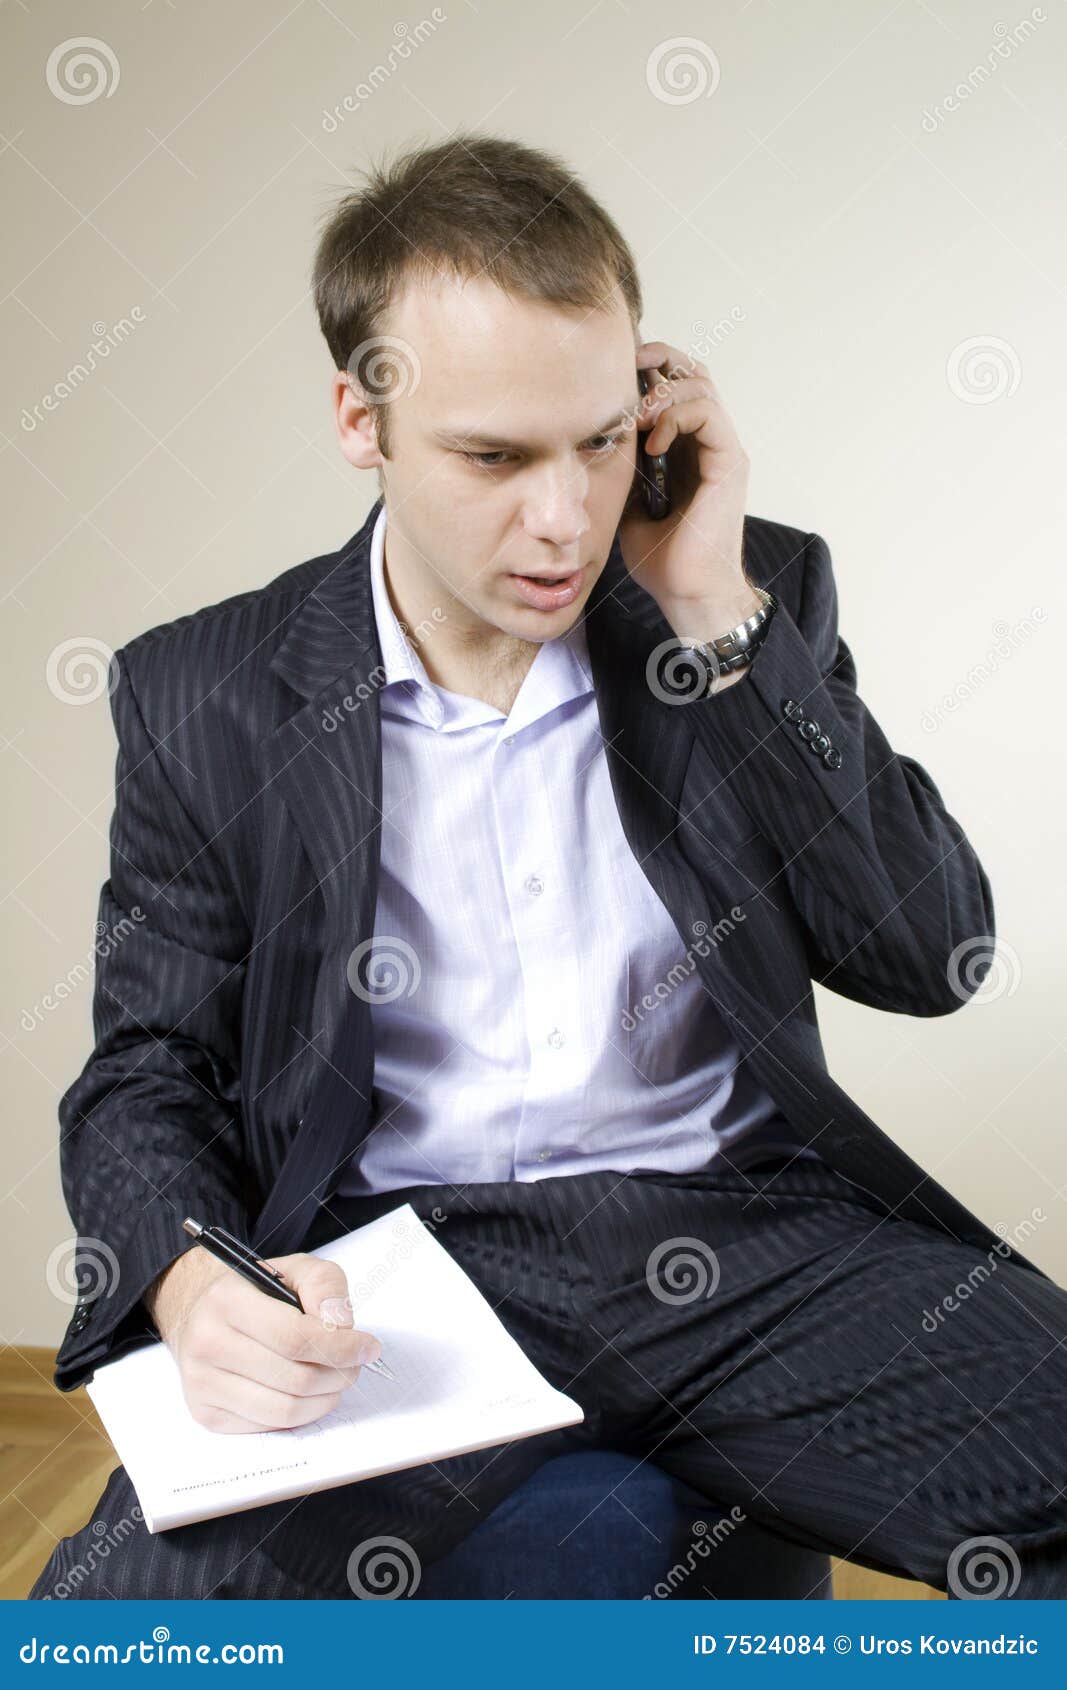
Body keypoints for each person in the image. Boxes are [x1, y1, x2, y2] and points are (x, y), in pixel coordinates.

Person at [30, 134, 1067, 1601]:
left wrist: (716, 611)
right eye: (495, 455)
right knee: (126, 1624)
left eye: (596, 440)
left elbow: (932, 954)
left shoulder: (737, 600)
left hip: (736, 1240)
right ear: (360, 418)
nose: (566, 516)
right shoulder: (207, 693)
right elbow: (144, 1069)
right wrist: (196, 1280)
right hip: (402, 1269)